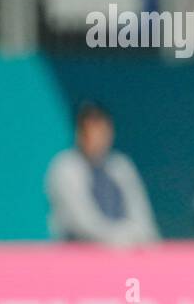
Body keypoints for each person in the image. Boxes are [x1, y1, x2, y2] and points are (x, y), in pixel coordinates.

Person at [44, 101, 159, 245]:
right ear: (80, 134)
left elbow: (141, 215)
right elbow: (82, 222)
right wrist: (119, 238)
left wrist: (147, 243)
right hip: (77, 256)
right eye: (91, 131)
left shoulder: (120, 166)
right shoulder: (65, 167)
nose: (98, 138)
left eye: (103, 131)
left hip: (122, 254)